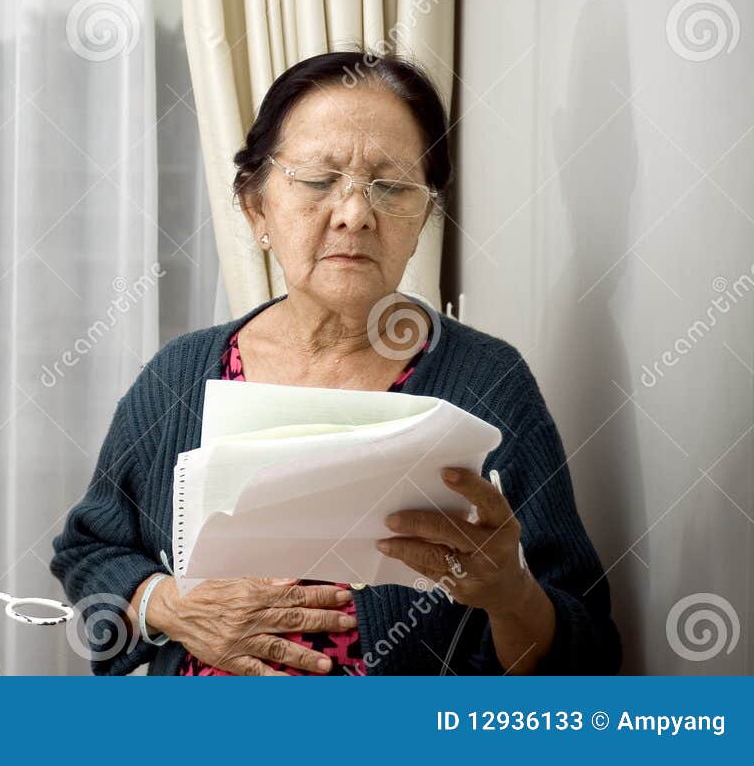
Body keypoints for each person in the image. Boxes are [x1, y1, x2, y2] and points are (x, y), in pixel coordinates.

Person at [50, 51, 621, 675]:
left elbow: (586, 655)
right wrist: (166, 602)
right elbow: (90, 548)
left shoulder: (487, 384)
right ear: (256, 207)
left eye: (392, 186)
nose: (354, 213)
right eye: (319, 181)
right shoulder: (181, 376)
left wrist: (511, 595)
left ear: (423, 214)